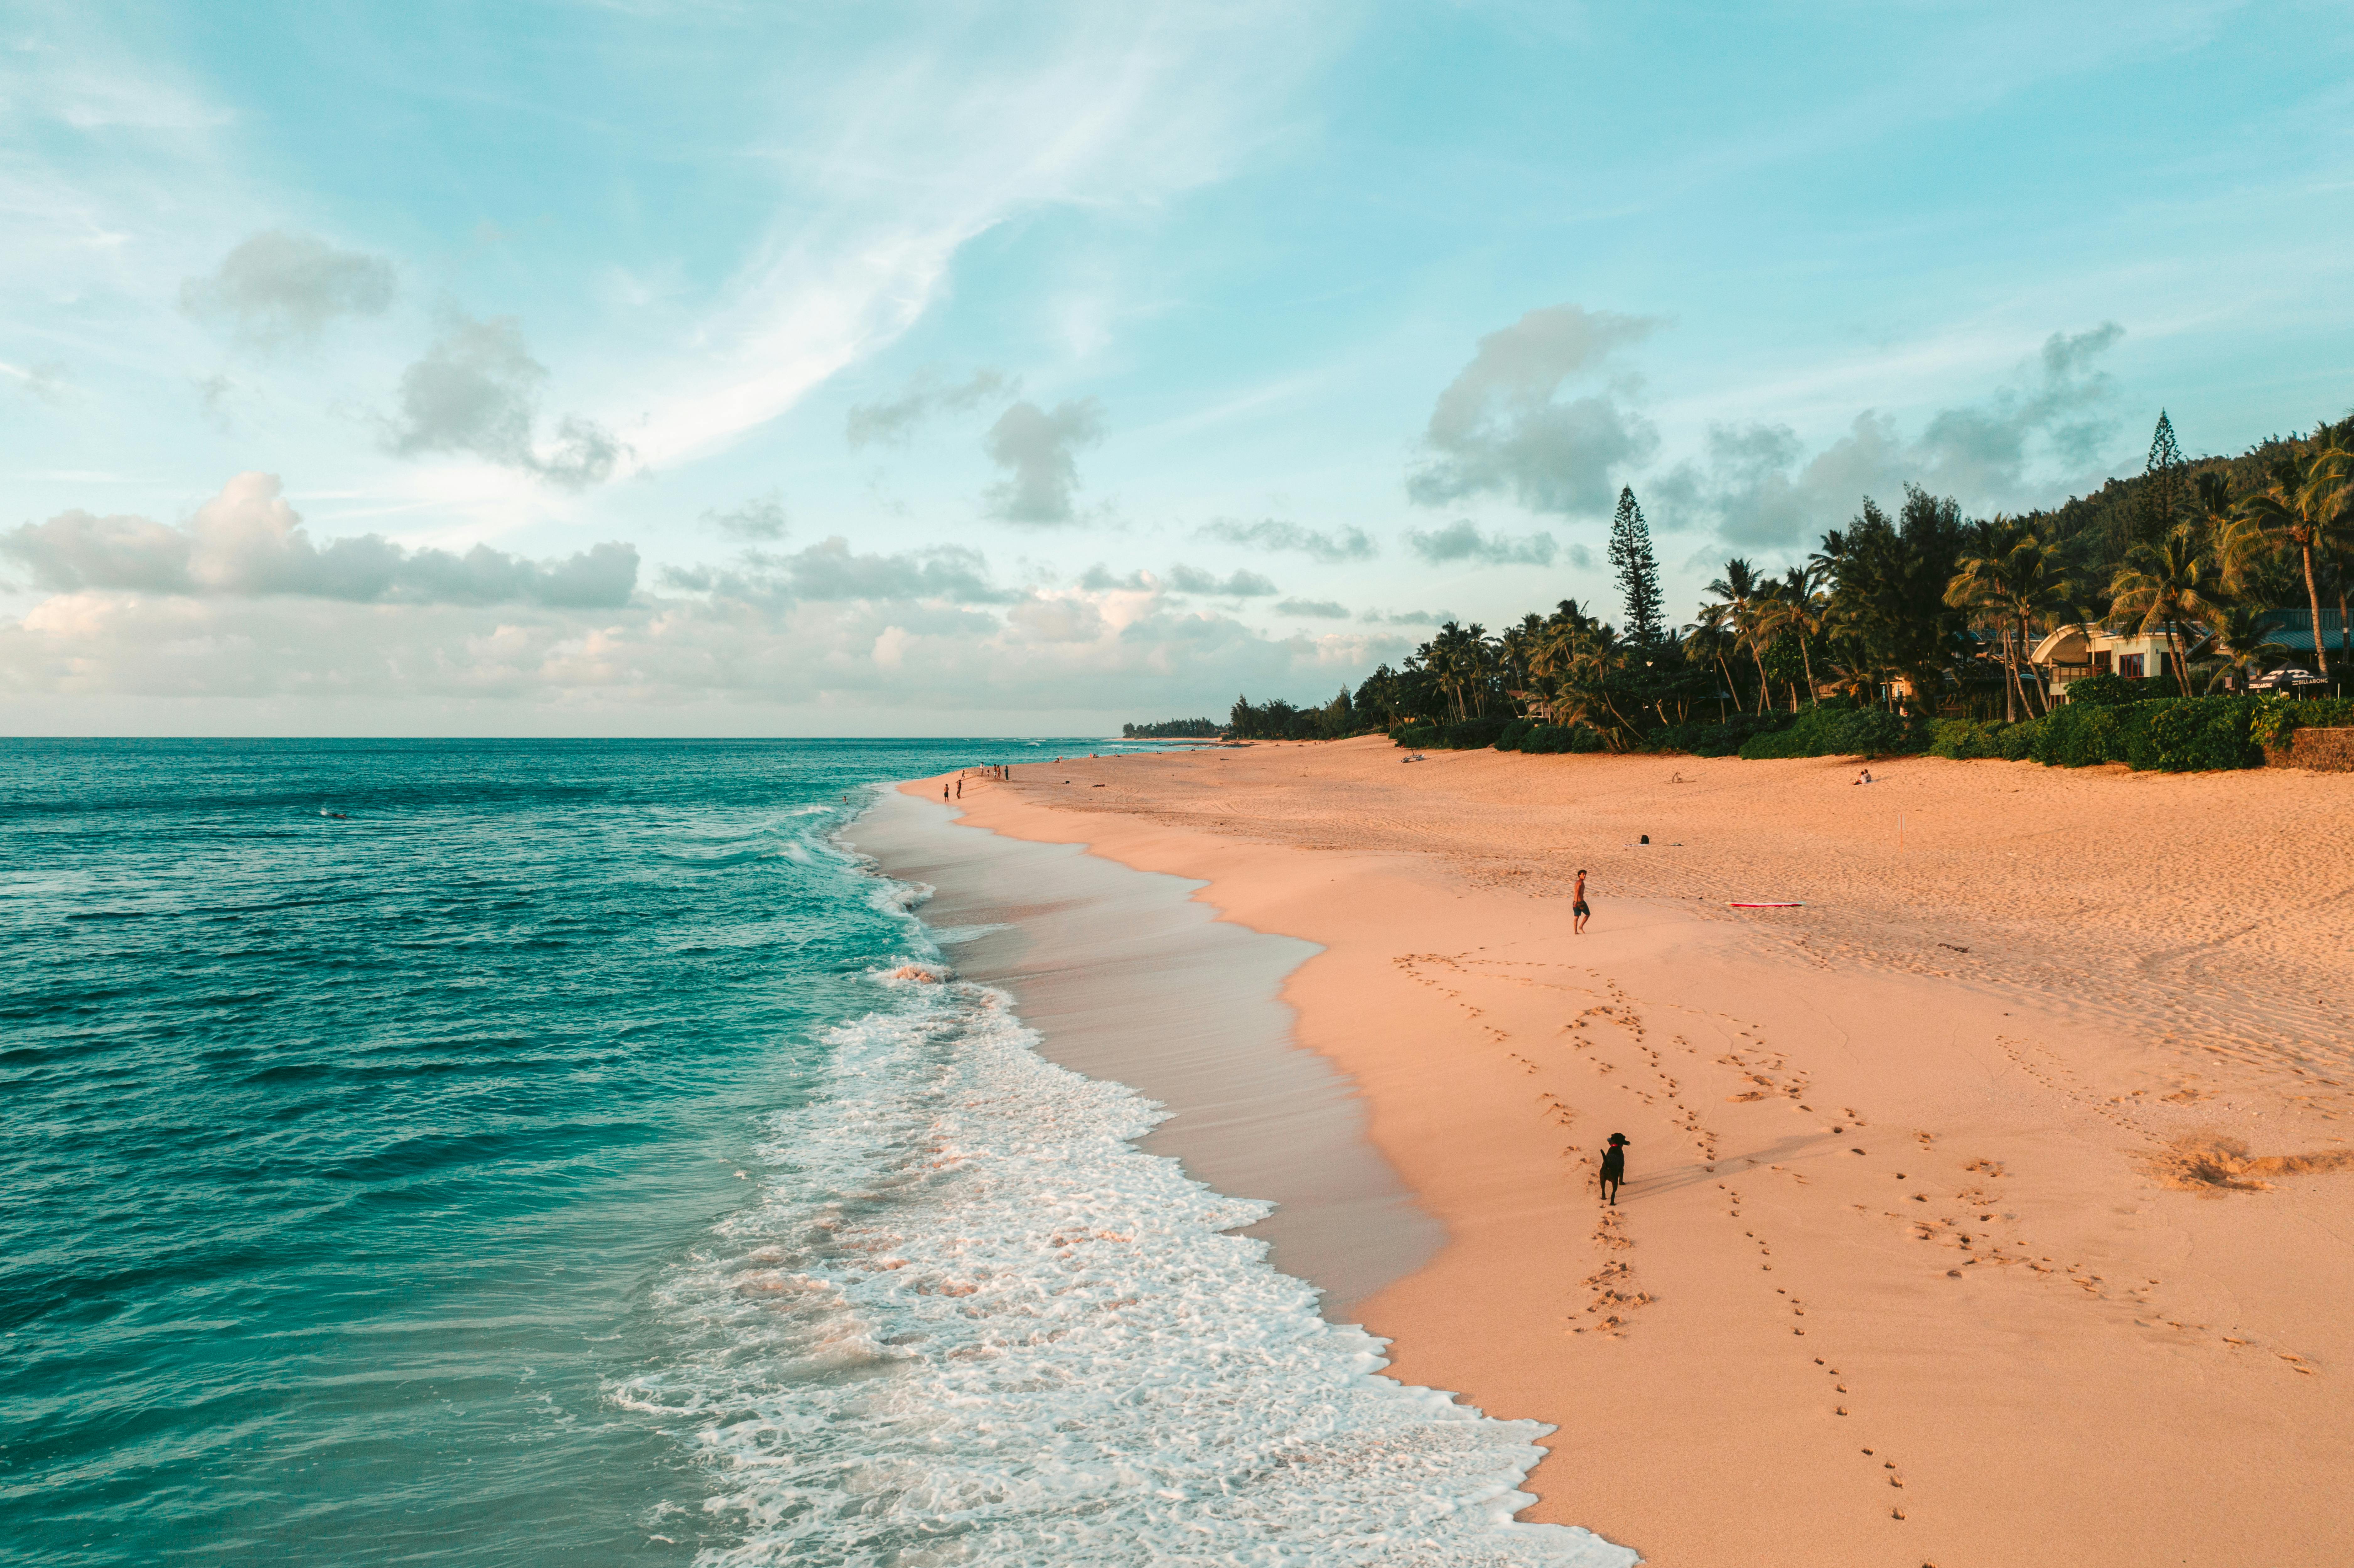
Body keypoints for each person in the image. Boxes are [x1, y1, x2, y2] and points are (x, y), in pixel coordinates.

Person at [1599, 1133, 1629, 1204]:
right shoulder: (1620, 1153)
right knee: (1614, 1187)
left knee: (1603, 1179)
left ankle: (1603, 1195)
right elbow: (1621, 1170)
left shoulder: (1610, 1150)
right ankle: (1612, 1201)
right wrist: (1621, 1182)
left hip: (1604, 1170)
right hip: (1613, 1172)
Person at [1572, 869, 1591, 936]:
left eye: (1585, 874)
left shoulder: (1578, 882)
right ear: (1580, 875)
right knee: (1588, 914)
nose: (1585, 876)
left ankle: (1576, 932)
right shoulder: (1580, 883)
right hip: (1580, 903)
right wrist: (1577, 902)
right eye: (1583, 874)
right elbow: (1577, 892)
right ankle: (1581, 927)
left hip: (1575, 902)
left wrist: (1575, 903)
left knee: (1577, 917)